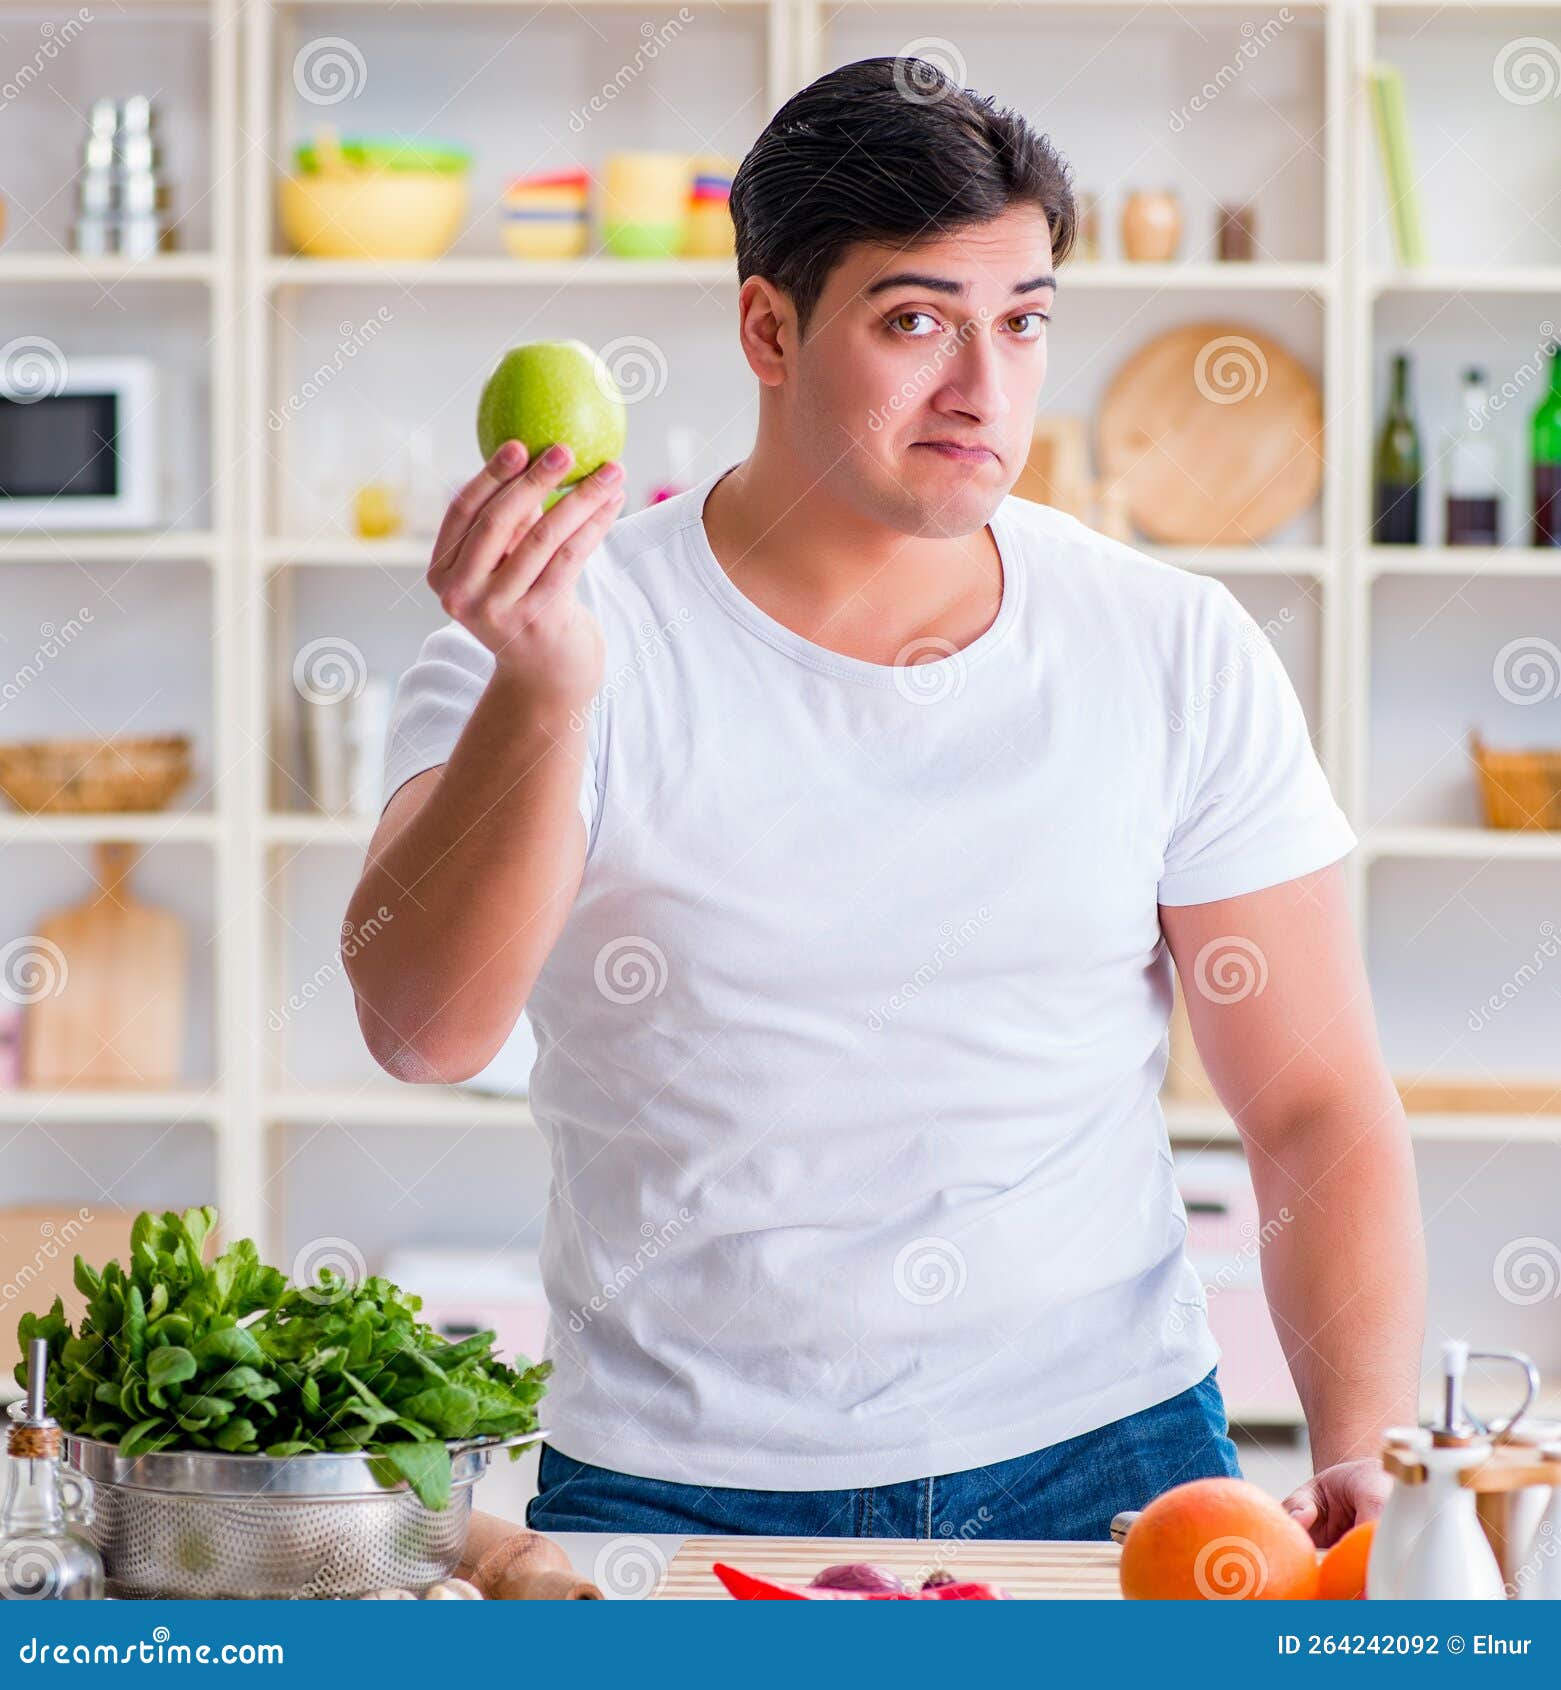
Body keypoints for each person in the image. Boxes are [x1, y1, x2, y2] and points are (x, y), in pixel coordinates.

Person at [344, 57, 1425, 1545]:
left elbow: (1312, 1107)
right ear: (768, 329)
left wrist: (1363, 1446)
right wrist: (543, 694)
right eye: (916, 320)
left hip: (1111, 1464)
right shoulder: (545, 636)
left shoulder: (1169, 643)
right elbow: (422, 1032)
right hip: (671, 1485)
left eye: (1022, 323)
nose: (983, 390)